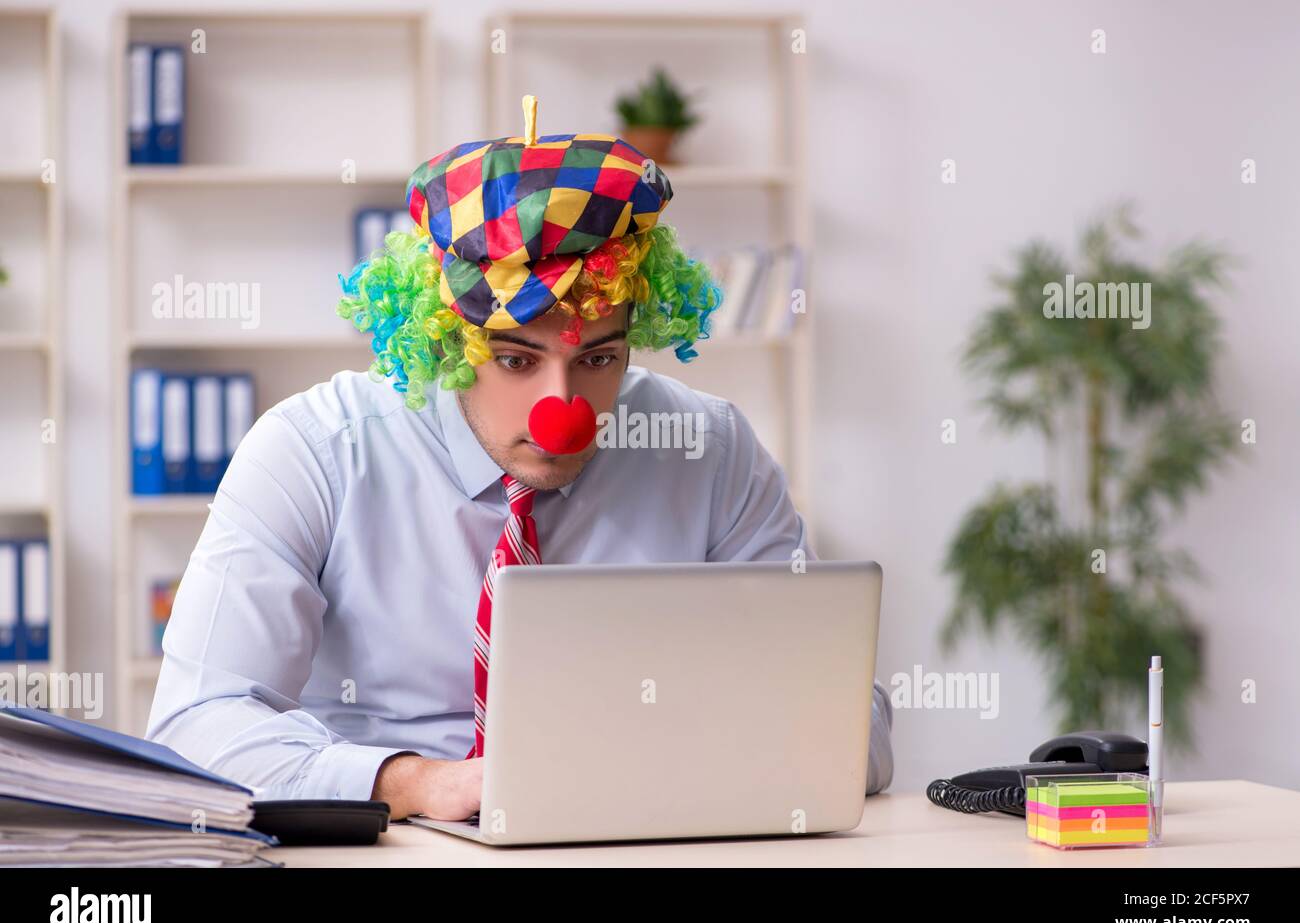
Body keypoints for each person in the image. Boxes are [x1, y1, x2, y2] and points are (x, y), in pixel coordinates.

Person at [146, 97, 893, 822]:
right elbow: (195, 728)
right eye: (514, 358)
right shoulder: (311, 452)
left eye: (599, 357)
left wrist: (651, 766)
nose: (562, 409)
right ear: (445, 336)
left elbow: (855, 728)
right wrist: (414, 782)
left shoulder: (712, 452)